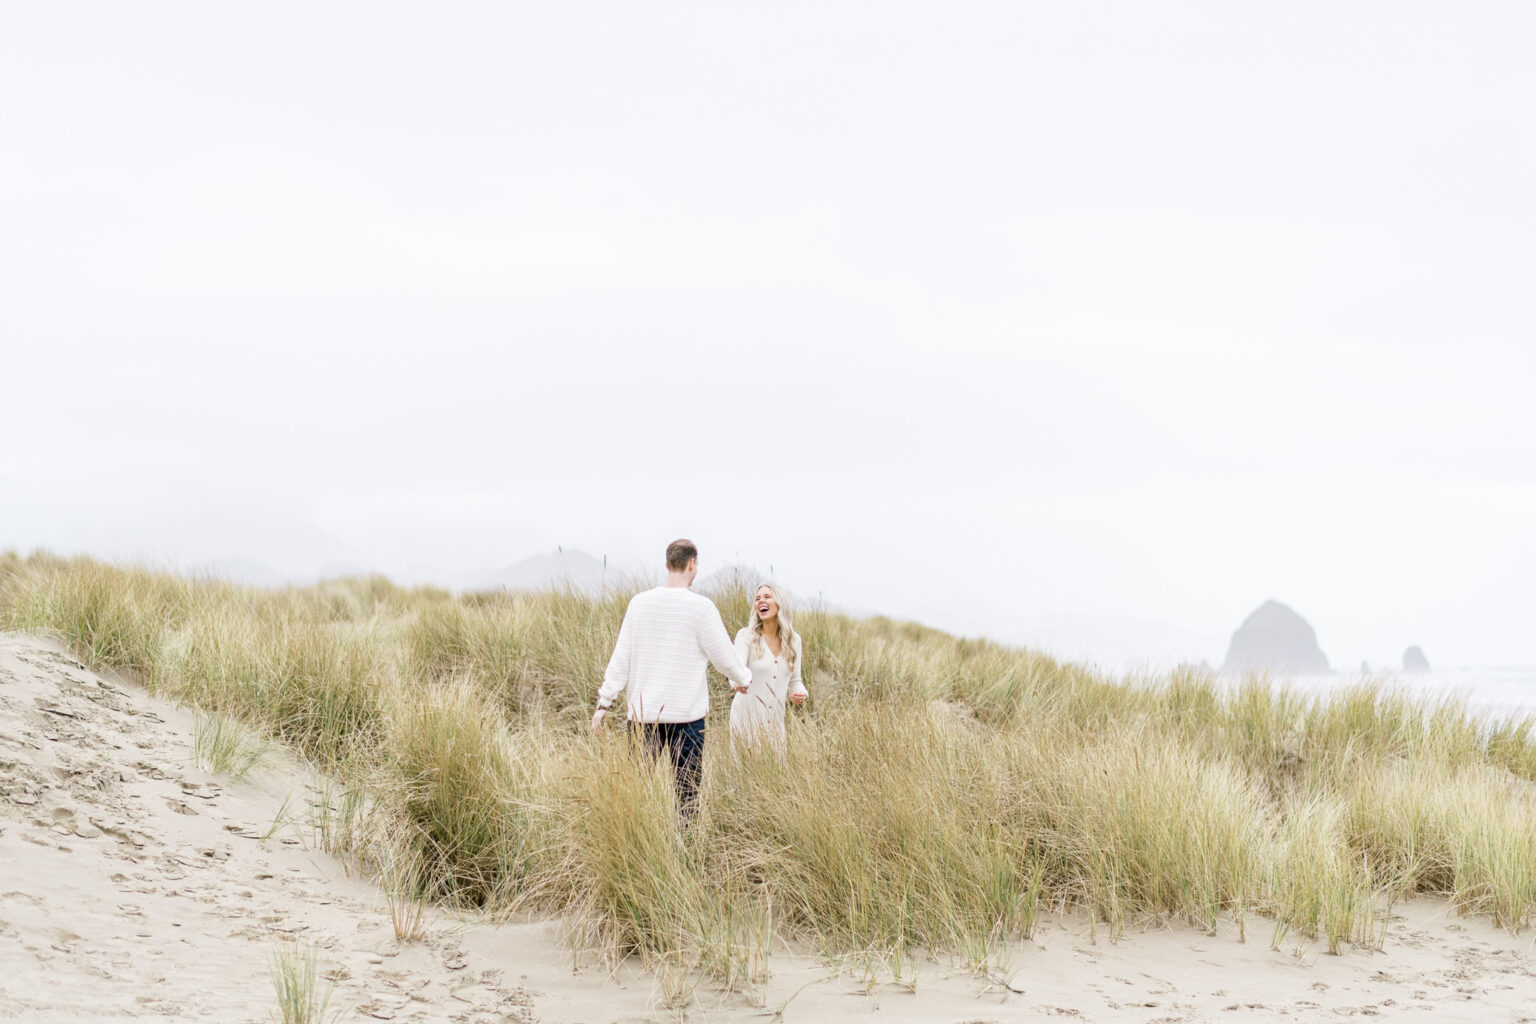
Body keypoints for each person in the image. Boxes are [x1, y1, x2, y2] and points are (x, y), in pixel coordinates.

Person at [592, 539, 751, 822]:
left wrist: (604, 704)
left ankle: (642, 848)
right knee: (686, 796)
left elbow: (621, 658)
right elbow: (725, 658)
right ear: (692, 564)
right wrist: (743, 678)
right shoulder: (702, 608)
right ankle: (684, 857)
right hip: (687, 720)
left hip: (643, 719)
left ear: (667, 564)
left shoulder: (638, 604)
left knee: (639, 794)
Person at [729, 583, 808, 749]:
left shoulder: (794, 641)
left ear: (780, 603)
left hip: (775, 725)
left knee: (776, 772)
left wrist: (801, 693)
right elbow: (736, 668)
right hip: (745, 721)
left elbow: (796, 681)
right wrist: (737, 681)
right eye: (757, 598)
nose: (760, 601)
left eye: (767, 597)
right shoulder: (745, 636)